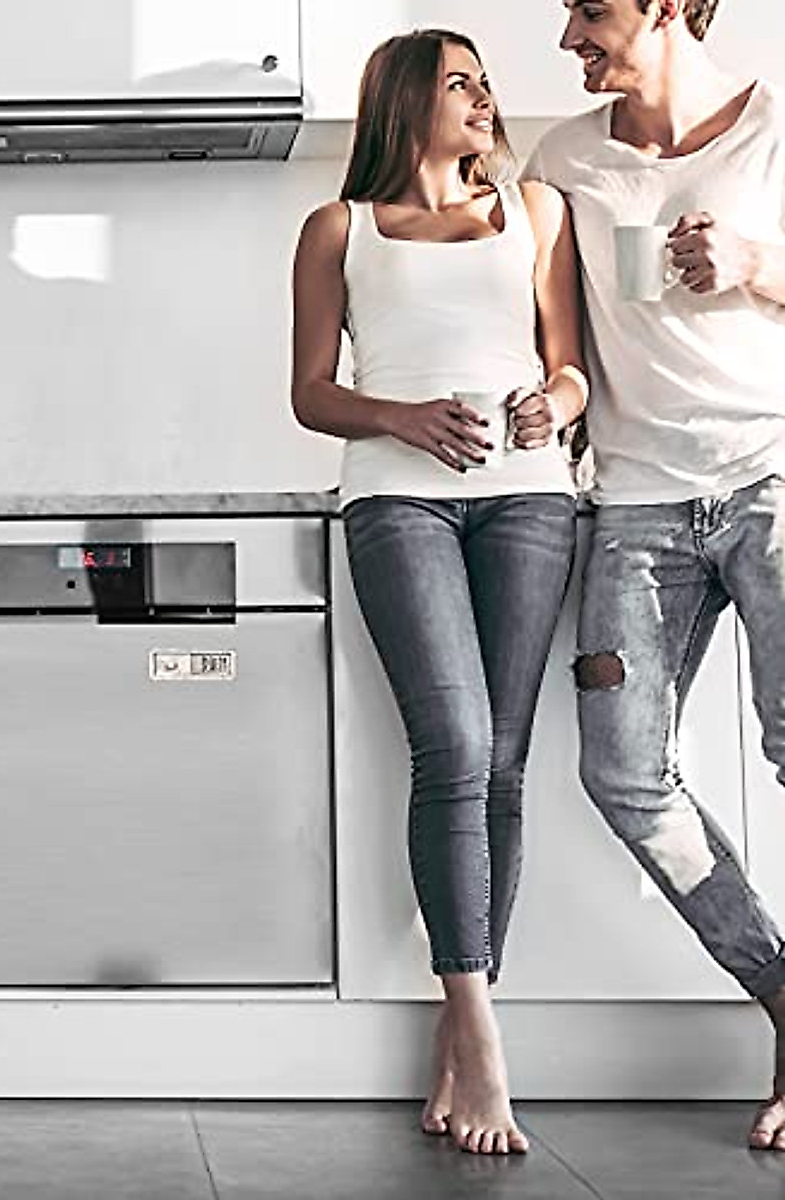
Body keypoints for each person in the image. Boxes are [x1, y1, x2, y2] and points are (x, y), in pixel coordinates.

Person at [291, 29, 588, 1155]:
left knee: (501, 764)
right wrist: (401, 417)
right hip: (396, 500)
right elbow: (312, 392)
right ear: (406, 98)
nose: (484, 97)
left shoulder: (535, 213)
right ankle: (486, 1042)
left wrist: (554, 404)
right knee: (454, 748)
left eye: (484, 82)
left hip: (530, 500)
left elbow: (569, 365)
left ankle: (457, 1028)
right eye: (460, 81)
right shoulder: (341, 229)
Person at [524, 0, 785, 1152]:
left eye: (591, 10)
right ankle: (781, 989)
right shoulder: (566, 159)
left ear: (671, 5)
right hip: (634, 505)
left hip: (774, 478)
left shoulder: (775, 131)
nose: (569, 39)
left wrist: (757, 264)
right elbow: (551, 329)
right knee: (624, 772)